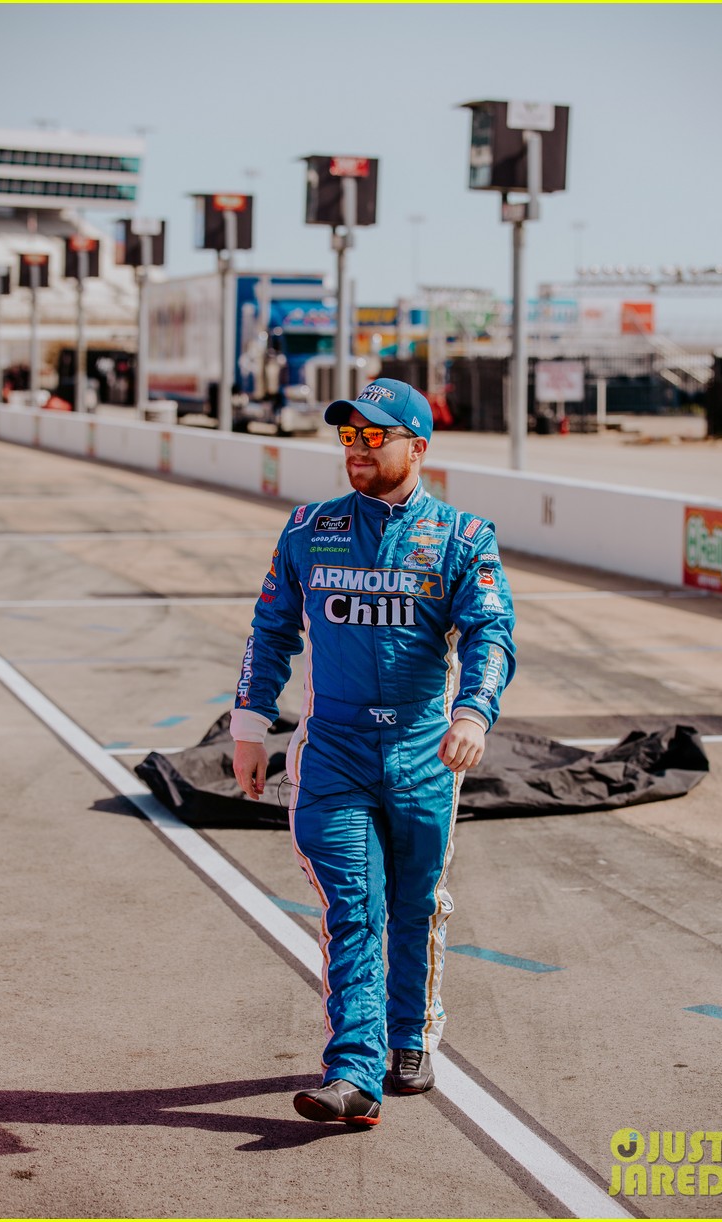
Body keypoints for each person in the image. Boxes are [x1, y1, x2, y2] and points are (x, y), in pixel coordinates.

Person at [230, 377, 516, 1127]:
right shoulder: (307, 529)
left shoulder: (461, 537)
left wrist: (474, 713)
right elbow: (270, 632)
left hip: (425, 753)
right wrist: (249, 725)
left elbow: (491, 633)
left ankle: (408, 1035)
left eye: (373, 436)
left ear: (416, 447)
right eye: (348, 436)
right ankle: (353, 1072)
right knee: (351, 907)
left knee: (413, 904)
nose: (356, 449)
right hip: (334, 752)